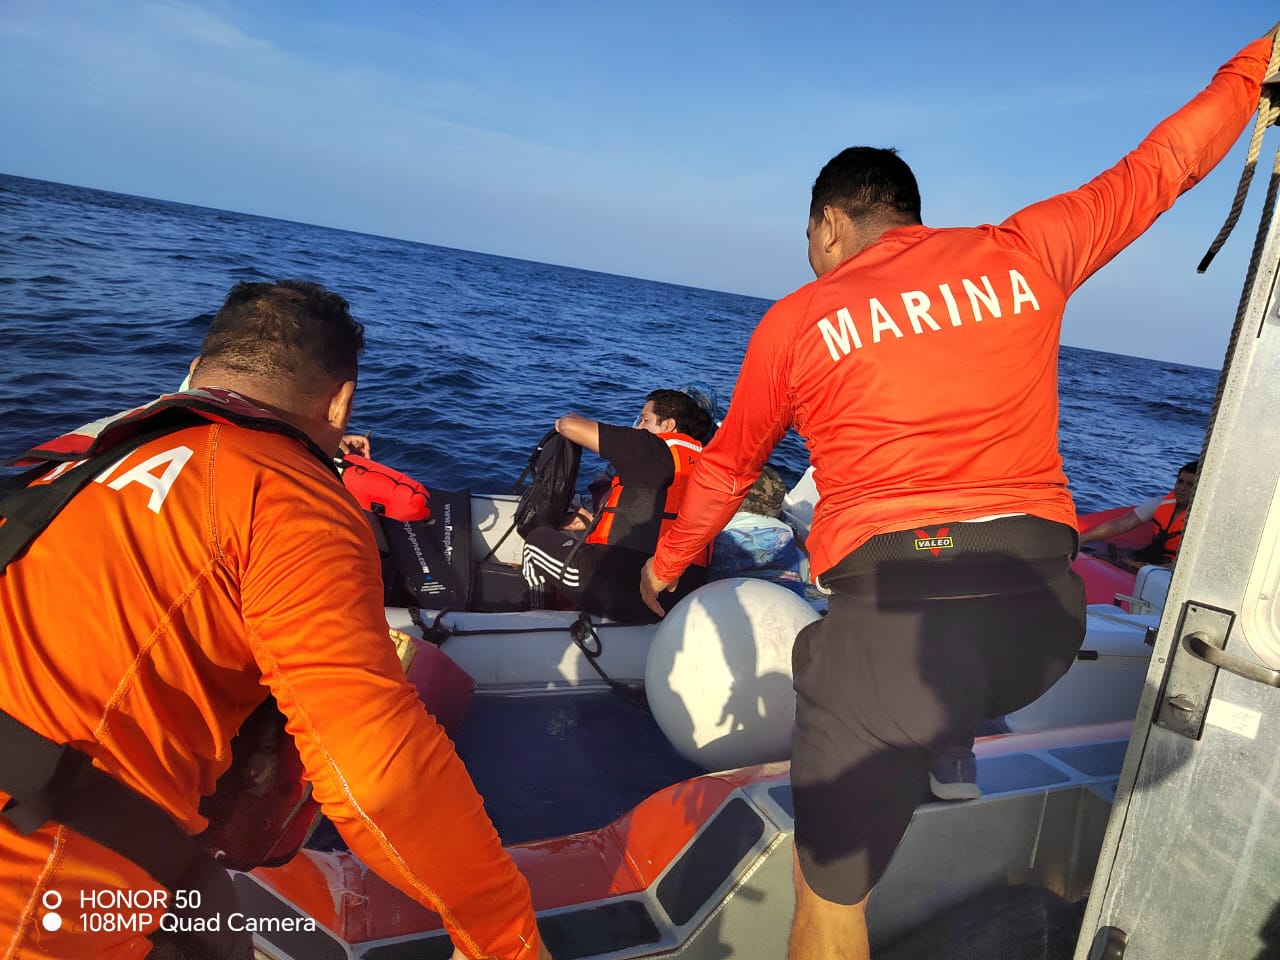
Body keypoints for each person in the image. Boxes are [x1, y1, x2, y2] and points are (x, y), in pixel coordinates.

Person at [640, 33, 1275, 960]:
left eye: (810, 238)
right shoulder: (1025, 249)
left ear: (830, 225)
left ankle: (899, 776)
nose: (811, 254)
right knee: (881, 628)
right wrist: (1257, 64)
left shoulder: (796, 321)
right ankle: (946, 749)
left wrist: (663, 569)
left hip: (906, 621)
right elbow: (1160, 167)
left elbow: (729, 469)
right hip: (1042, 618)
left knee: (828, 895)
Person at [0, 281, 549, 960]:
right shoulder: (287, 495)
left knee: (213, 920)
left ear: (197, 372)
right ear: (341, 403)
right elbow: (378, 778)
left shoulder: (72, 458)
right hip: (41, 884)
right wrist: (504, 936)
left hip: (56, 809)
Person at [522, 388, 713, 623]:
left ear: (668, 425)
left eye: (645, 420)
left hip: (617, 593)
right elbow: (658, 523)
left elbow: (568, 425)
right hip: (676, 602)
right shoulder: (708, 464)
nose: (638, 427)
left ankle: (538, 621)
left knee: (536, 540)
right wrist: (590, 521)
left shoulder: (648, 447)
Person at [707, 464, 806, 596]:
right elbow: (804, 573)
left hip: (726, 600)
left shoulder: (720, 527)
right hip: (789, 603)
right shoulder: (787, 532)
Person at [1080, 460, 1199, 565]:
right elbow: (1124, 523)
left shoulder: (1200, 520)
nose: (1182, 488)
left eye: (1190, 485)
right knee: (1094, 549)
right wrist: (1084, 538)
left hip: (1171, 568)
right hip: (1149, 555)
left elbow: (1191, 566)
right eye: (1180, 482)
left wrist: (1148, 568)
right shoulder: (1161, 503)